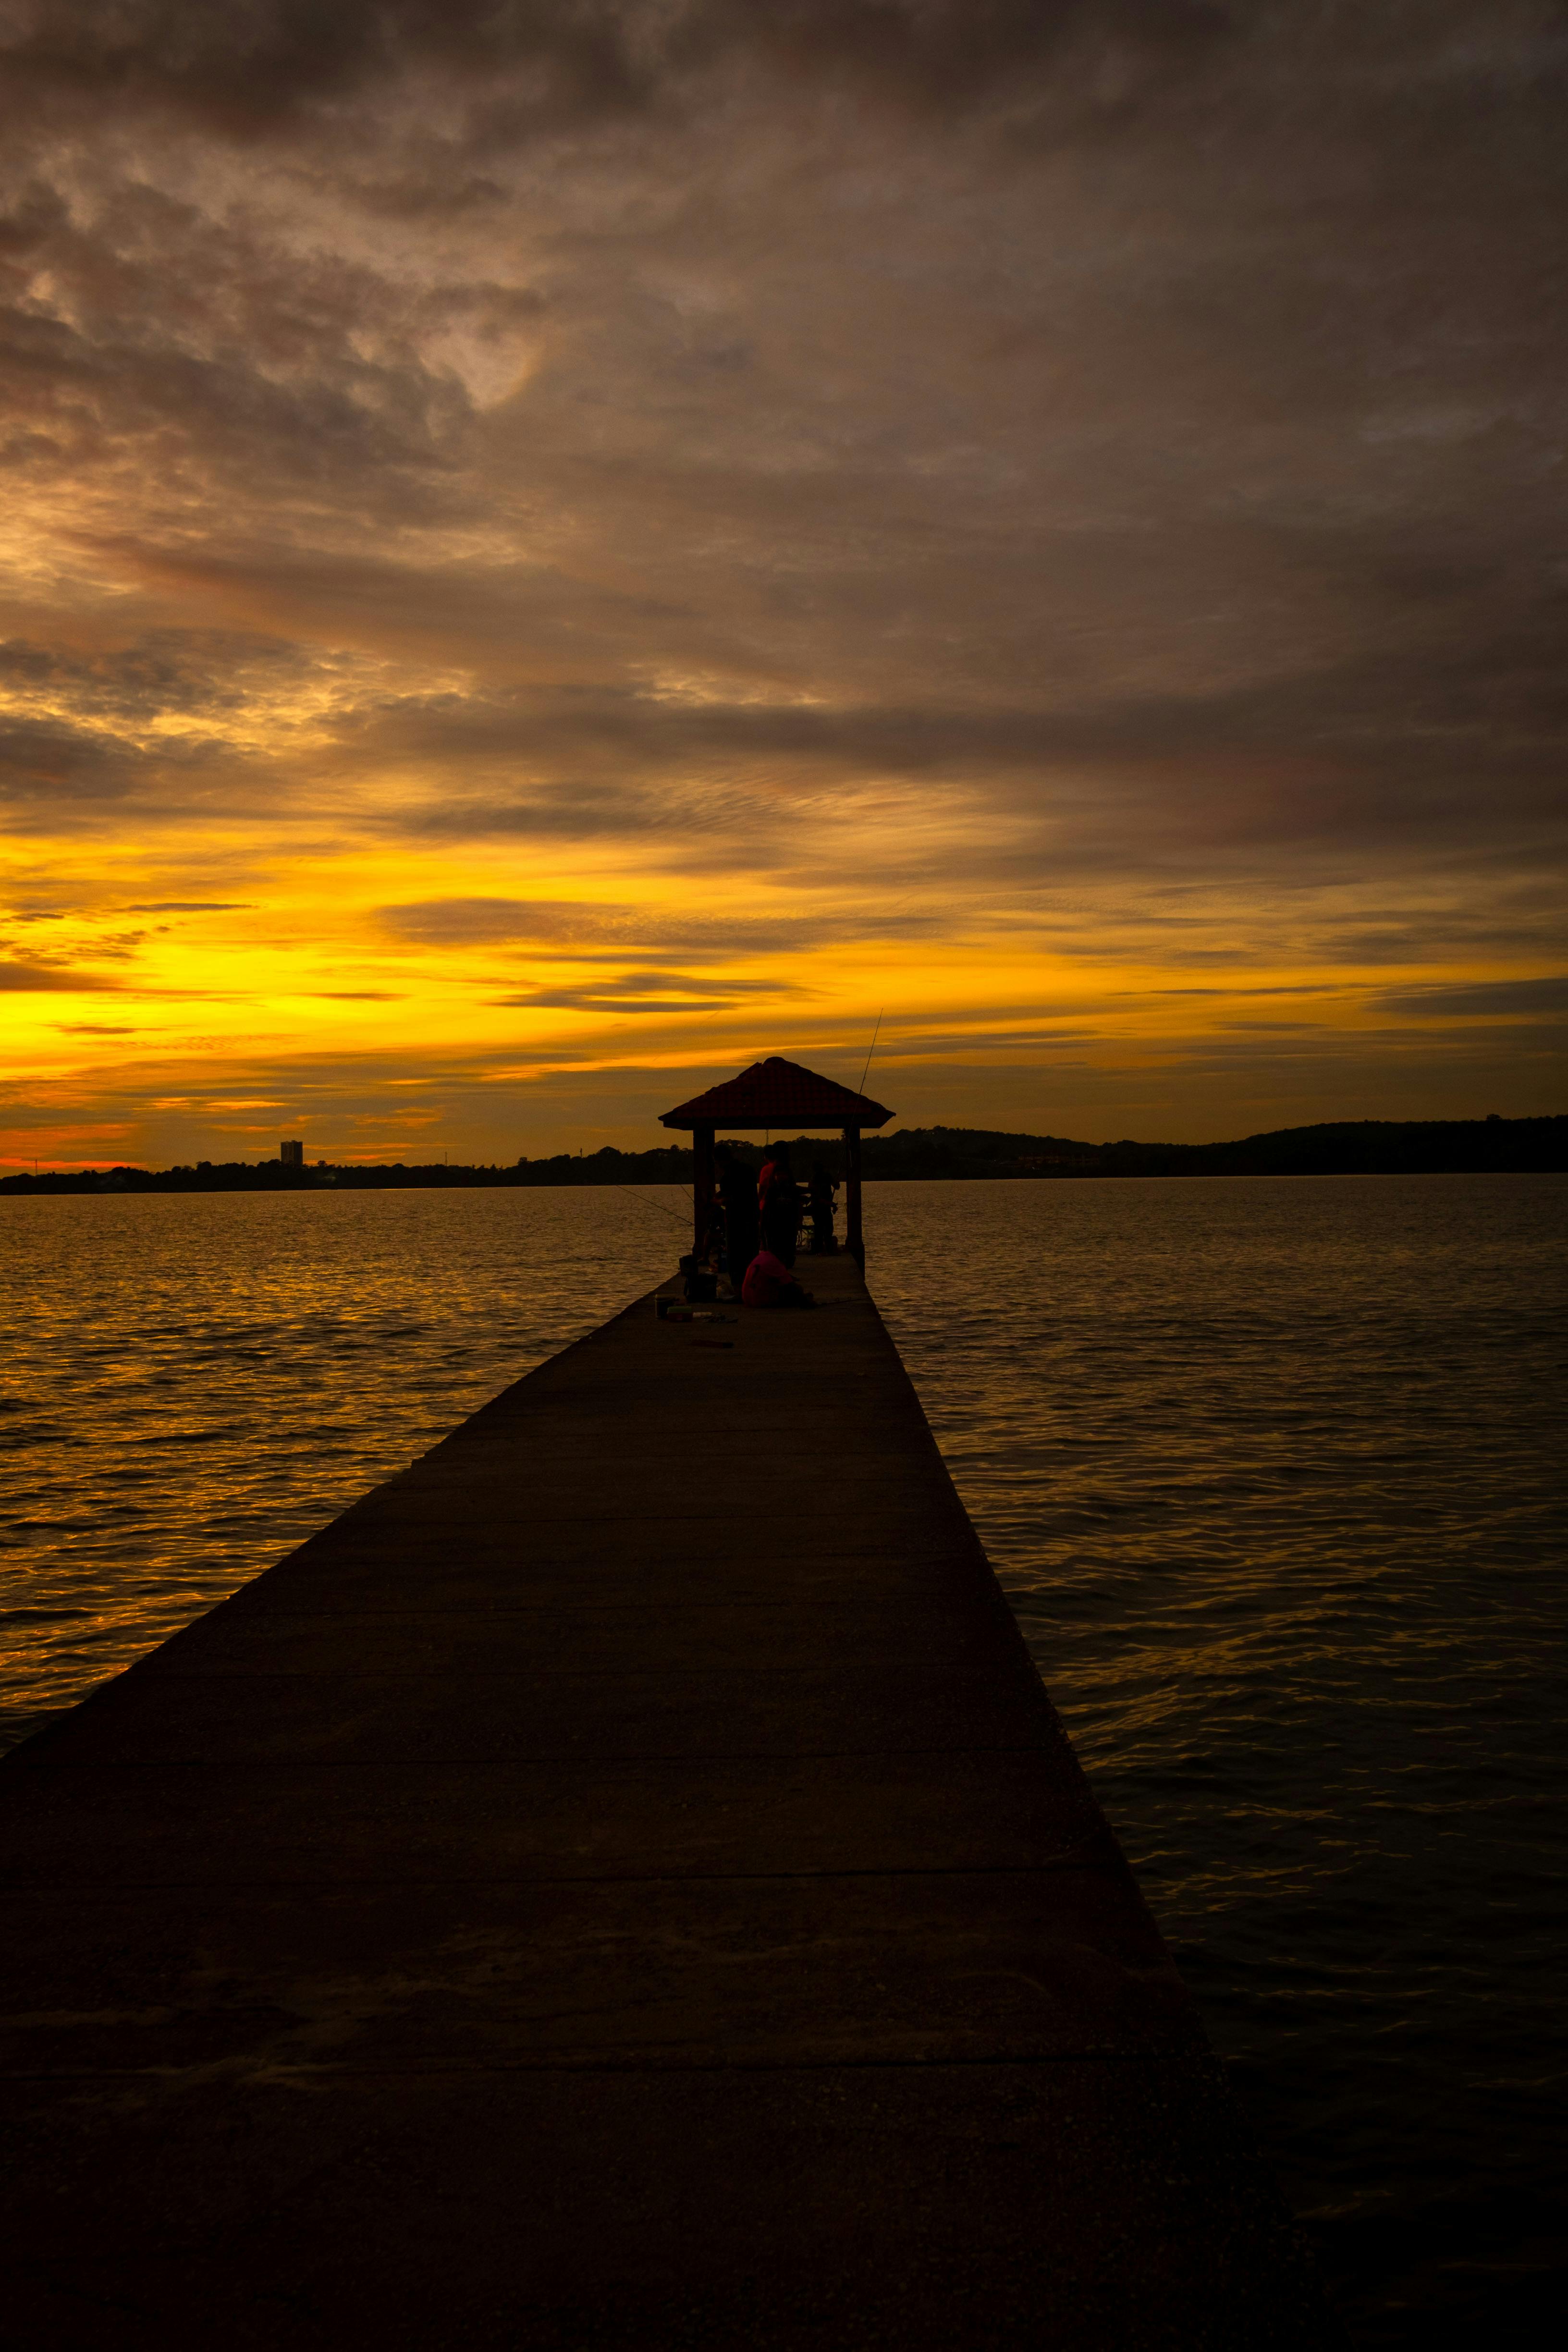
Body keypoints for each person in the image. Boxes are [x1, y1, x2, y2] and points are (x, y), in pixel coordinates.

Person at [714, 1142, 759, 1298]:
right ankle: (753, 1288)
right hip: (753, 1218)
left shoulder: (727, 1176)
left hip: (736, 1221)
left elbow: (730, 1200)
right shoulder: (748, 1170)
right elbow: (744, 1192)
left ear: (719, 1160)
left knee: (736, 1257)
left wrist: (717, 1202)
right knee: (751, 1254)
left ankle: (740, 1291)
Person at [758, 1140, 800, 1267]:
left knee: (777, 1240)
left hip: (773, 1210)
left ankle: (780, 1262)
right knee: (779, 1239)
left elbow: (763, 1191)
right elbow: (776, 1189)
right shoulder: (778, 1169)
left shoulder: (773, 1168)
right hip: (774, 1211)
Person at [741, 1247, 815, 1309]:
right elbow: (792, 1287)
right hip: (761, 1300)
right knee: (797, 1290)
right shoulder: (776, 1264)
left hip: (747, 1298)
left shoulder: (763, 1257)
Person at [808, 1159, 838, 1254]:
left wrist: (835, 1180)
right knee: (820, 1229)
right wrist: (830, 1204)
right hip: (817, 1208)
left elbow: (837, 1186)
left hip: (825, 1208)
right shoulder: (814, 1180)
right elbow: (818, 1198)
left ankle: (827, 1249)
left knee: (828, 1228)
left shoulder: (827, 1176)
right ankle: (820, 1250)